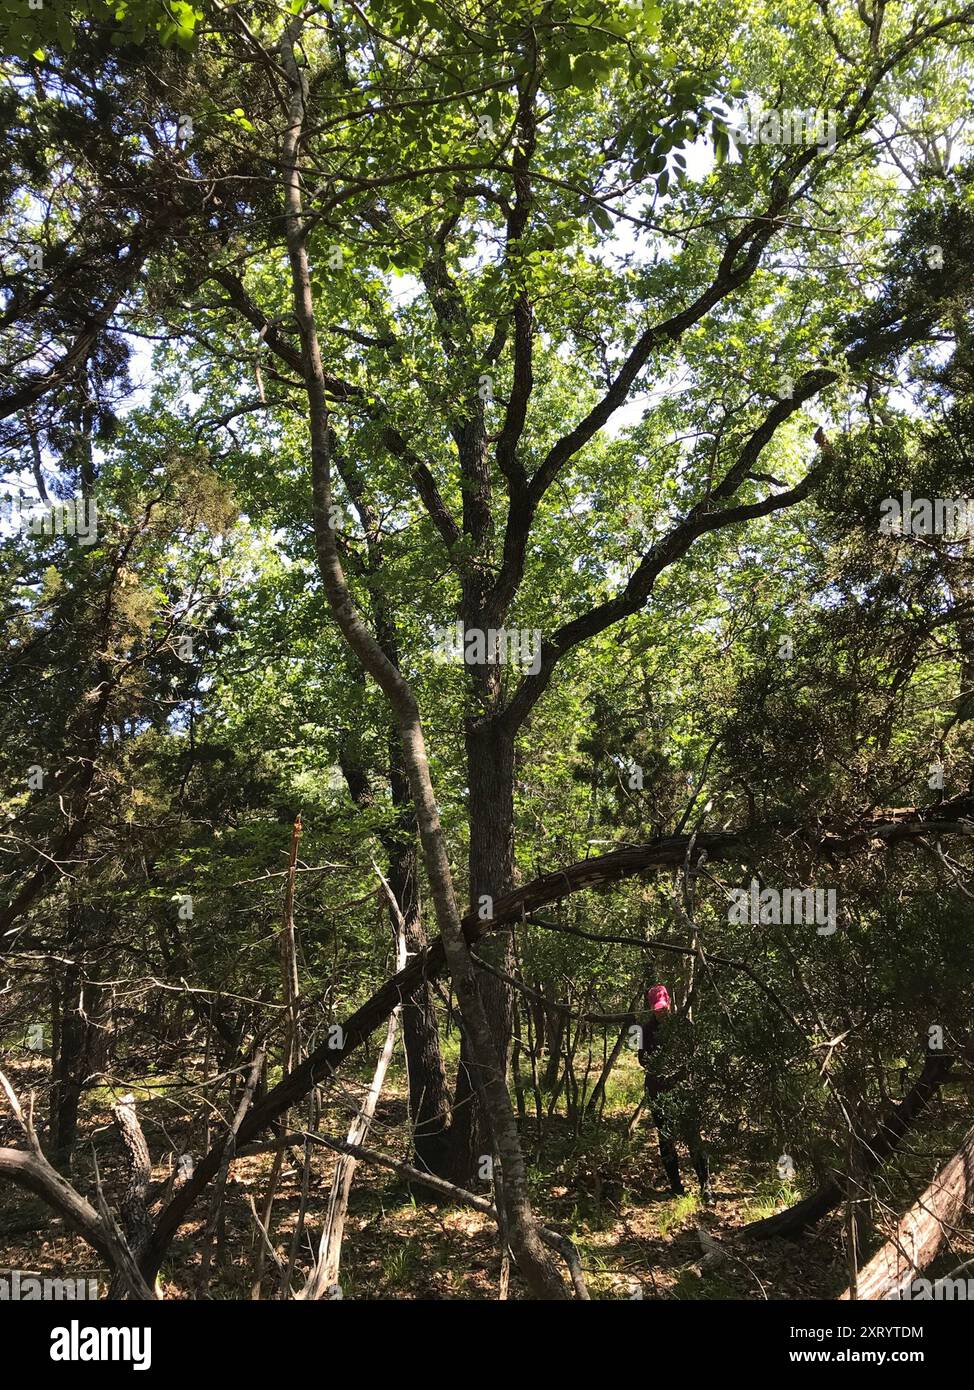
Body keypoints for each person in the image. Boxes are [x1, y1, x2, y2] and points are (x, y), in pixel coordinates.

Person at [637, 983, 714, 1204]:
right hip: (657, 1092)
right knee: (665, 1138)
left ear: (669, 1003)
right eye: (656, 1008)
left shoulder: (684, 1025)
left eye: (663, 1007)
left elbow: (694, 1054)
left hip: (683, 1090)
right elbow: (641, 1058)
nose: (660, 1011)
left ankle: (705, 1186)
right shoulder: (644, 1029)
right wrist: (657, 1063)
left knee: (693, 1138)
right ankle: (676, 1187)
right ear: (651, 1007)